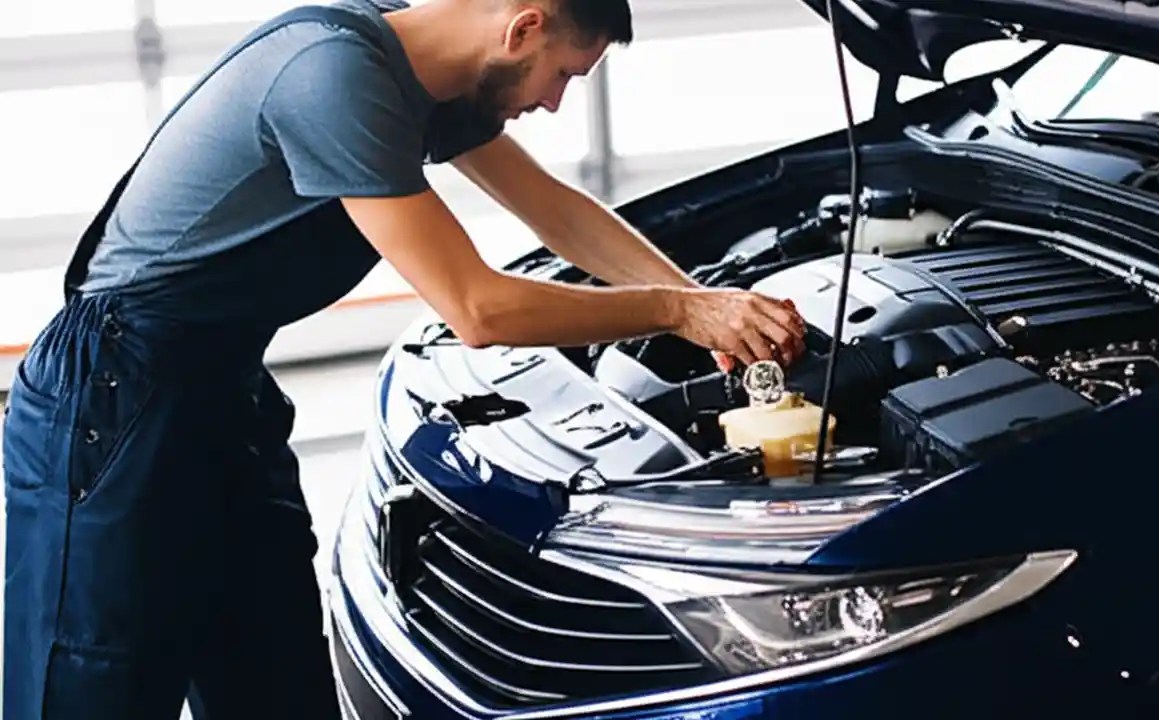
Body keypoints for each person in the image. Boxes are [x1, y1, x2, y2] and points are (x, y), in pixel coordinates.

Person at [2, 0, 807, 717]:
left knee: (273, 678)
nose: (556, 103)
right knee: (93, 687)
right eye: (562, 74)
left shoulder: (434, 69)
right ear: (522, 25)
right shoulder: (334, 76)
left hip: (224, 389)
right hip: (111, 396)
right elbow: (477, 308)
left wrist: (715, 312)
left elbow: (557, 211)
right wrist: (676, 310)